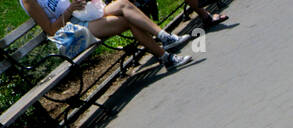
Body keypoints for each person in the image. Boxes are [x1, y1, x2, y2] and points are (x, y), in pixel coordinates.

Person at [21, 0, 193, 69]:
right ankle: (166, 57)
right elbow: (51, 30)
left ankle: (165, 37)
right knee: (126, 20)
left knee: (124, 5)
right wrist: (70, 10)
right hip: (70, 33)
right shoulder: (29, 0)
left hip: (82, 17)